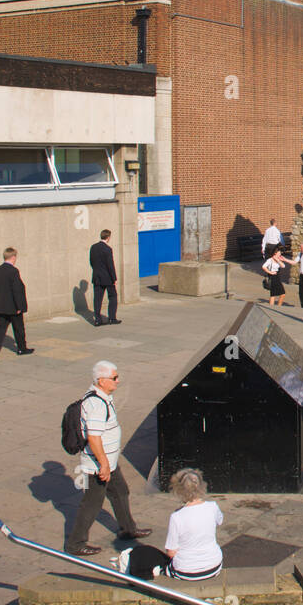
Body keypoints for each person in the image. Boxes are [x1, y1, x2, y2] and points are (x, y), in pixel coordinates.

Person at [65, 360, 152, 556]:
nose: (118, 381)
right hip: (99, 465)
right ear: (101, 380)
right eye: (114, 378)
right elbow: (94, 438)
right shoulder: (96, 404)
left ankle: (128, 528)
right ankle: (75, 543)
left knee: (120, 492)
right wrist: (103, 464)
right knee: (92, 503)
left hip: (108, 462)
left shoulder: (103, 397)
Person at [116, 468, 223, 581]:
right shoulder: (213, 506)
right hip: (214, 566)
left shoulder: (177, 517)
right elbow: (219, 521)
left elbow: (171, 552)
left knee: (142, 552)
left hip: (185, 571)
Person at [0, 247, 34, 359]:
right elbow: (17, 290)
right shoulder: (13, 271)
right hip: (13, 306)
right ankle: (22, 348)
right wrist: (19, 306)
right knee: (19, 328)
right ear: (13, 257)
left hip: (0, 304)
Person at [90, 229, 121, 327]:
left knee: (97, 299)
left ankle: (98, 320)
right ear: (108, 237)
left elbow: (91, 262)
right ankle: (112, 318)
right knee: (112, 296)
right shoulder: (108, 249)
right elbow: (110, 265)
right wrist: (114, 278)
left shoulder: (93, 247)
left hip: (97, 277)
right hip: (107, 278)